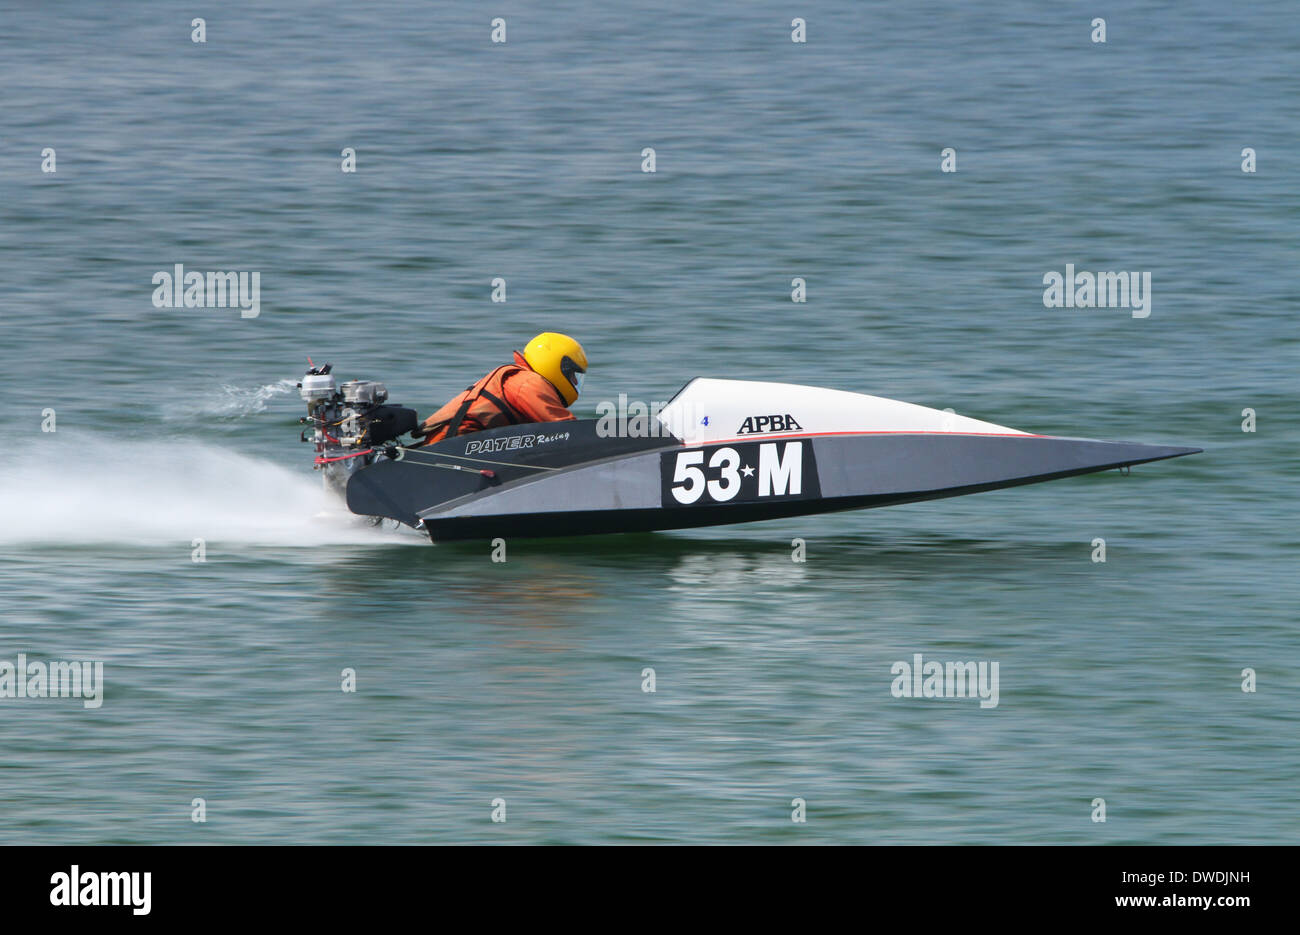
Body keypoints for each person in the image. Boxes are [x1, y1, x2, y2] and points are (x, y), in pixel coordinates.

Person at [415, 332, 587, 446]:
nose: (574, 381)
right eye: (572, 374)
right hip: (454, 444)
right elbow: (565, 429)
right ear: (556, 364)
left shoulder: (521, 378)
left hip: (461, 444)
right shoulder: (528, 382)